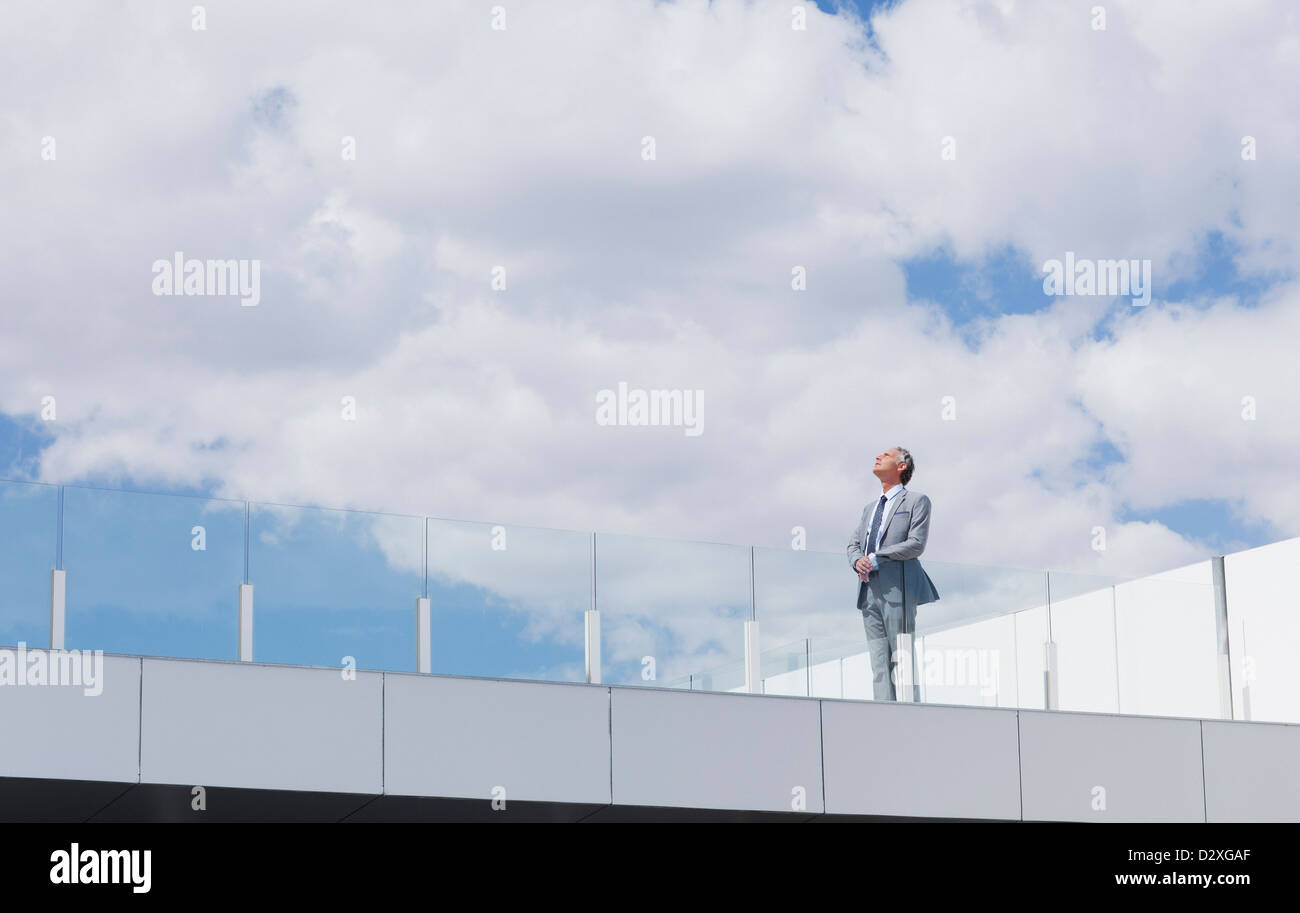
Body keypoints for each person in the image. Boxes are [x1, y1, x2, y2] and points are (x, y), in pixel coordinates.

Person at [847, 446, 939, 701]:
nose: (877, 457)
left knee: (902, 657)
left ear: (901, 467)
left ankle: (910, 715)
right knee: (878, 664)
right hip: (868, 592)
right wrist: (858, 561)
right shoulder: (869, 508)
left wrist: (876, 557)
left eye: (885, 456)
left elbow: (916, 544)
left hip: (898, 587)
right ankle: (883, 715)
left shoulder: (916, 501)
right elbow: (853, 545)